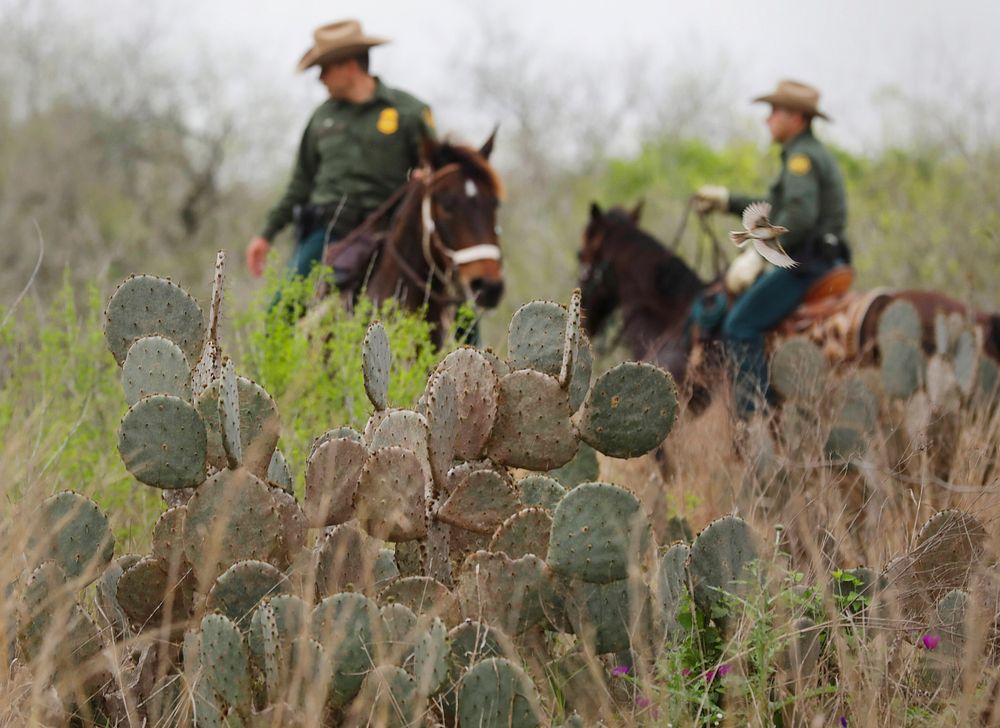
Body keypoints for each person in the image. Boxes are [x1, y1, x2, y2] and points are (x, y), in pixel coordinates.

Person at [694, 79, 849, 416]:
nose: (768, 119)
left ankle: (754, 422)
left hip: (807, 265)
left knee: (739, 326)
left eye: (775, 111)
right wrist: (727, 200)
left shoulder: (801, 159)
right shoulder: (805, 153)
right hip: (816, 258)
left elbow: (799, 218)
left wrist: (757, 253)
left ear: (796, 118)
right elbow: (778, 208)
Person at [246, 19, 435, 285]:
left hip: (393, 232)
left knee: (444, 294)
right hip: (328, 233)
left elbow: (437, 170)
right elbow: (300, 183)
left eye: (325, 68)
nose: (320, 78)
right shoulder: (322, 117)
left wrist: (426, 177)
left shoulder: (409, 111)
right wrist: (266, 234)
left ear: (349, 66)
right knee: (284, 303)